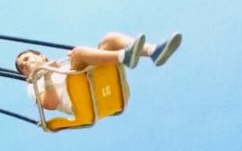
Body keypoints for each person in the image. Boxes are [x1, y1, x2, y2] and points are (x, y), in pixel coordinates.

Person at [14, 31, 182, 117]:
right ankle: (124, 56)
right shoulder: (34, 84)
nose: (25, 64)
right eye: (23, 67)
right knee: (78, 53)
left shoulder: (61, 67)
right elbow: (50, 104)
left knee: (110, 38)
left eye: (27, 59)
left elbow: (77, 66)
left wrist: (59, 66)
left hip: (105, 87)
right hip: (83, 101)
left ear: (41, 56)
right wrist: (47, 75)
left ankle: (154, 52)